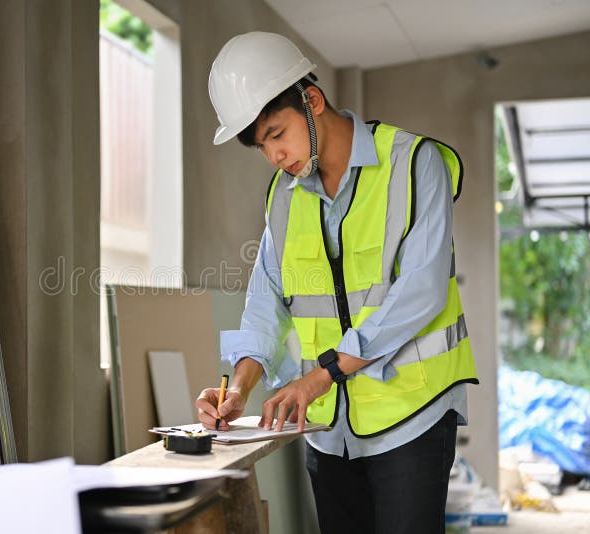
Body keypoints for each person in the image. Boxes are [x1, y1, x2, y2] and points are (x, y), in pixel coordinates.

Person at [195, 32, 479, 534]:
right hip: (329, 429)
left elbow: (422, 290)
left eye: (278, 134)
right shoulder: (283, 197)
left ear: (312, 101)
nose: (275, 156)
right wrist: (238, 388)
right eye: (262, 146)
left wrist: (322, 374)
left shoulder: (414, 163)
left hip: (412, 415)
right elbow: (265, 302)